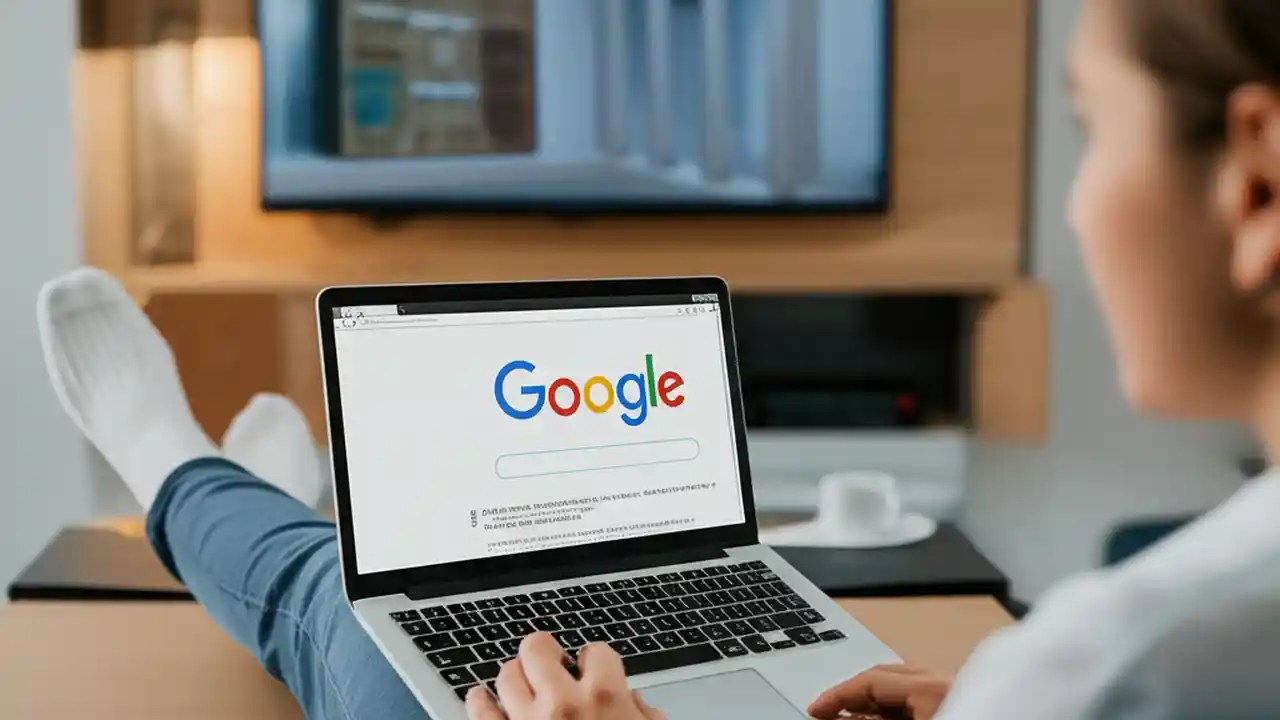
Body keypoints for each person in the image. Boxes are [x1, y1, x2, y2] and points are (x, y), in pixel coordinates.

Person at [33, 0, 1280, 717]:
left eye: (1090, 128)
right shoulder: (1158, 644)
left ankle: (181, 468)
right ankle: (246, 491)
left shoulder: (1134, 657)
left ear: (1255, 176)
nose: (1076, 208)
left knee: (352, 625)